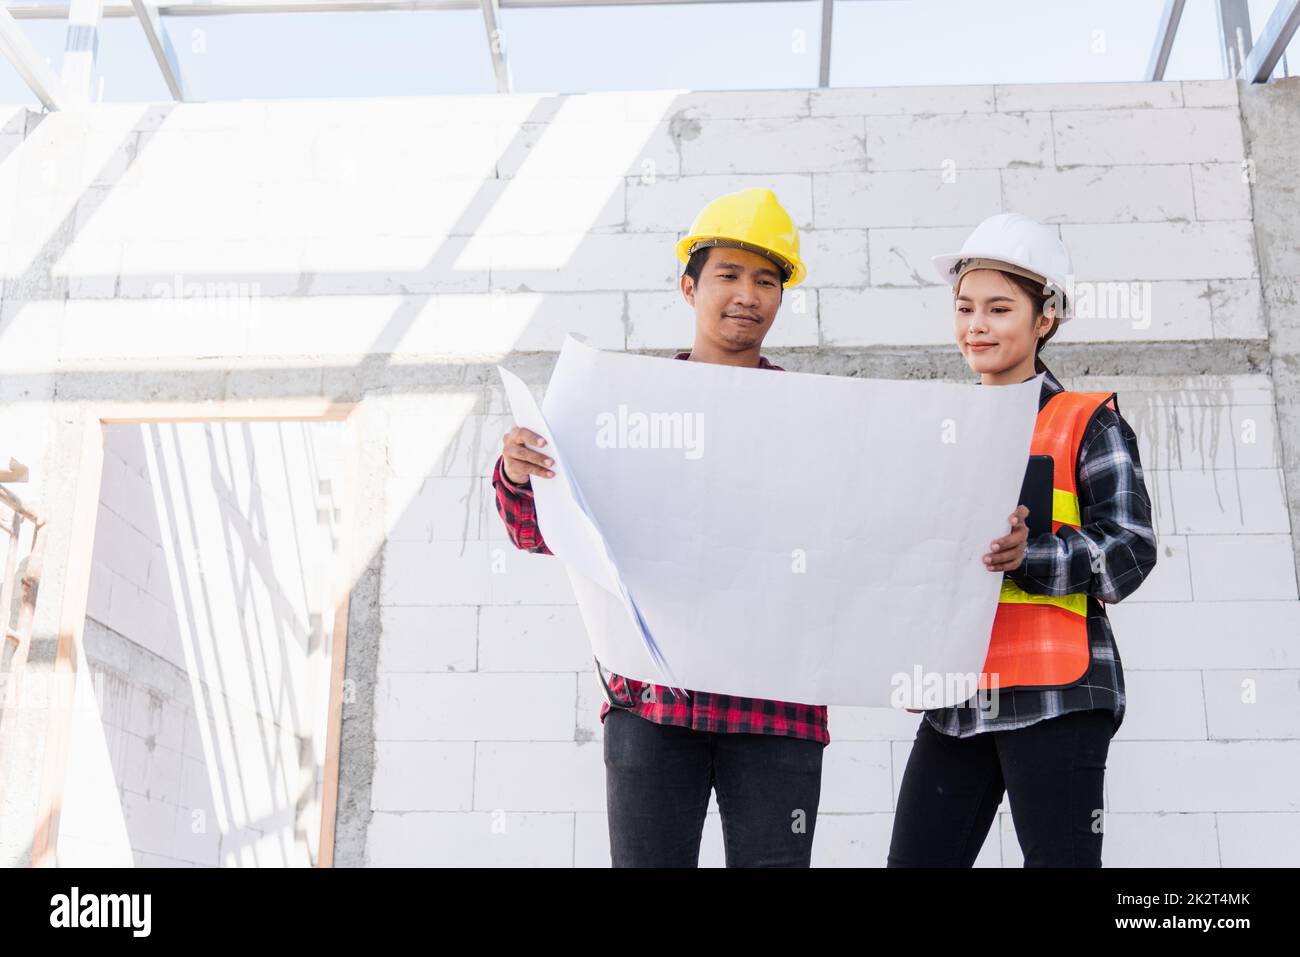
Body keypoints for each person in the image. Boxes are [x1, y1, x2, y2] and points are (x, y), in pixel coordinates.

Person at [887, 213, 1158, 868]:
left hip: (1057, 692)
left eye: (1000, 308)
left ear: (1045, 318)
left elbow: (1131, 548)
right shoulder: (943, 432)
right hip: (961, 701)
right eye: (965, 307)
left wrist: (1032, 557)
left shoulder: (1085, 421)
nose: (976, 325)